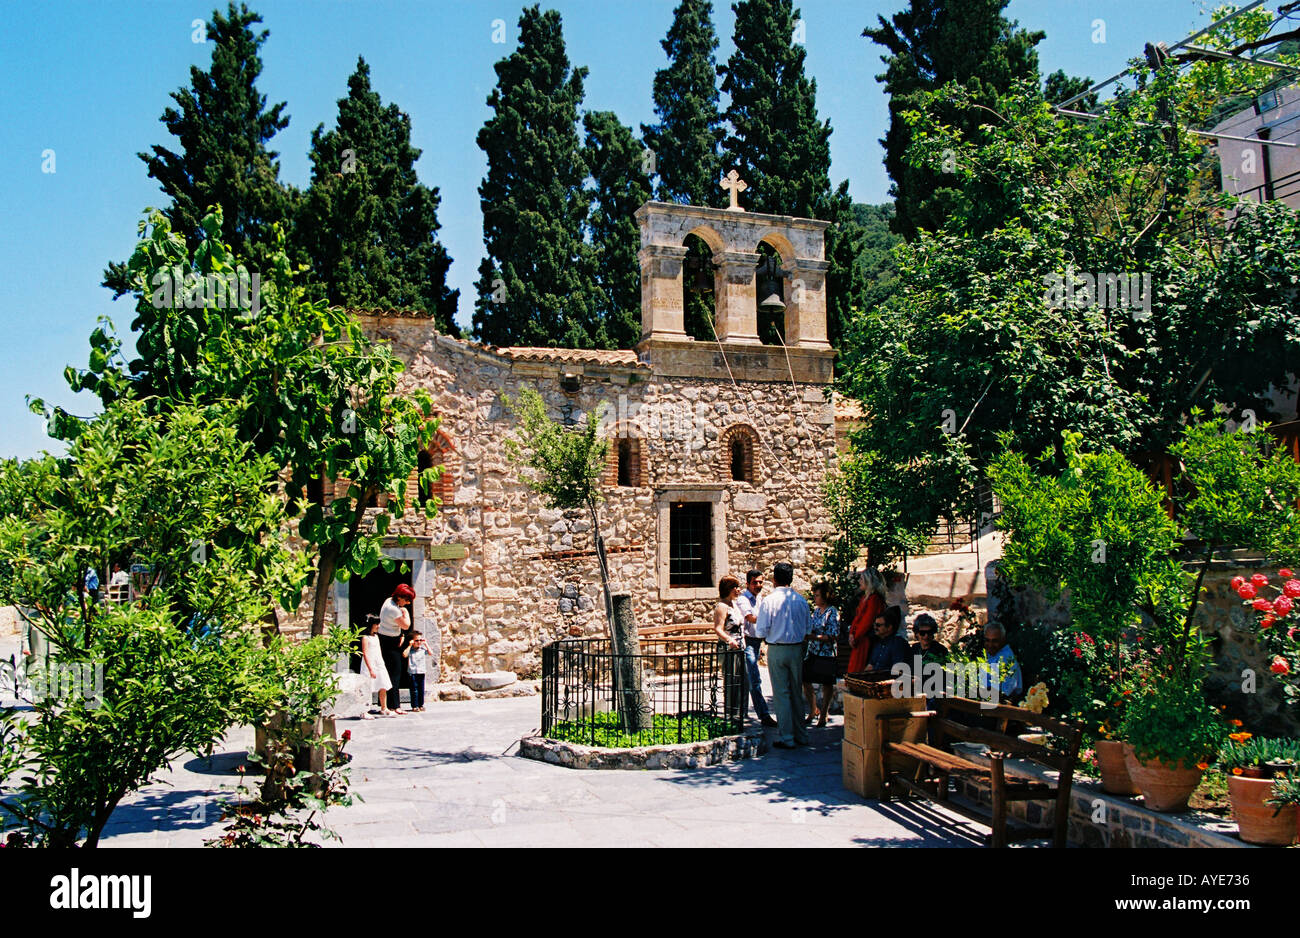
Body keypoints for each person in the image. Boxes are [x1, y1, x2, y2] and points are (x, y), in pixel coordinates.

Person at [755, 561, 812, 749]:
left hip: (777, 648)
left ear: (774, 579)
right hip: (797, 648)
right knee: (796, 691)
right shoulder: (801, 600)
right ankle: (801, 734)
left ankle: (787, 736)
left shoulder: (769, 601)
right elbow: (808, 628)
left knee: (781, 693)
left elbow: (761, 631)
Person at [734, 570, 778, 728]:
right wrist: (771, 620)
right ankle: (764, 715)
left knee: (749, 679)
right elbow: (750, 618)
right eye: (755, 582)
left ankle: (740, 712)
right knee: (754, 679)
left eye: (760, 582)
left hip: (757, 642)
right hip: (747, 642)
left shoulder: (760, 598)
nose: (758, 585)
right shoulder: (743, 600)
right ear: (748, 584)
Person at [802, 582, 839, 728]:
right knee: (805, 679)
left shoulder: (832, 612)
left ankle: (824, 714)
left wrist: (814, 637)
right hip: (813, 651)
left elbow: (833, 635)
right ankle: (813, 709)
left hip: (826, 653)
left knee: (827, 684)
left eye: (817, 595)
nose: (815, 598)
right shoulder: (816, 612)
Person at [713, 575, 747, 719]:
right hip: (729, 649)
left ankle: (740, 712)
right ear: (729, 589)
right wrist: (729, 640)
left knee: (742, 680)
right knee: (731, 680)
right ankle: (730, 713)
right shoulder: (721, 607)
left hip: (740, 647)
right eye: (736, 587)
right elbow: (718, 628)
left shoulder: (734, 605)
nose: (739, 590)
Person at [378, 584, 414, 715]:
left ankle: (387, 704)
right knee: (395, 673)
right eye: (407, 600)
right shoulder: (394, 609)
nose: (408, 603)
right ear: (400, 597)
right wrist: (406, 612)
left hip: (388, 638)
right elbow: (406, 625)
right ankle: (395, 706)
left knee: (390, 672)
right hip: (389, 643)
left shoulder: (389, 600)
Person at [847, 568, 886, 674]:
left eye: (862, 579)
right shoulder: (866, 598)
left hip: (865, 639)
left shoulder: (874, 599)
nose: (860, 581)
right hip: (860, 639)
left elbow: (867, 621)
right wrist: (851, 634)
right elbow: (857, 619)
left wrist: (855, 636)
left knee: (860, 671)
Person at [979, 623, 1023, 702]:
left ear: (1003, 640)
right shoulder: (989, 654)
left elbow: (1005, 694)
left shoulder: (1007, 658)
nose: (990, 645)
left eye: (994, 641)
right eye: (987, 640)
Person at [359, 617, 393, 719]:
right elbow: (365, 653)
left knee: (383, 684)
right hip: (370, 664)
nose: (378, 626)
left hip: (379, 663)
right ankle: (364, 711)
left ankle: (384, 708)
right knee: (367, 687)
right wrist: (370, 669)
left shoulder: (376, 637)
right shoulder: (366, 638)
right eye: (376, 624)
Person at [867, 605, 911, 672]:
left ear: (889, 627)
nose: (875, 627)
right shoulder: (878, 643)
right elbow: (871, 665)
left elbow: (897, 670)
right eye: (874, 624)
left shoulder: (897, 643)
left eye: (878, 625)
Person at [404, 631, 432, 712]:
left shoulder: (422, 649)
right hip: (412, 672)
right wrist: (409, 645)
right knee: (414, 690)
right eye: (416, 640)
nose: (419, 642)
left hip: (421, 671)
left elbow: (430, 653)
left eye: (420, 640)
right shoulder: (410, 650)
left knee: (421, 689)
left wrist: (426, 644)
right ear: (412, 641)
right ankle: (414, 705)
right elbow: (404, 654)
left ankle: (421, 705)